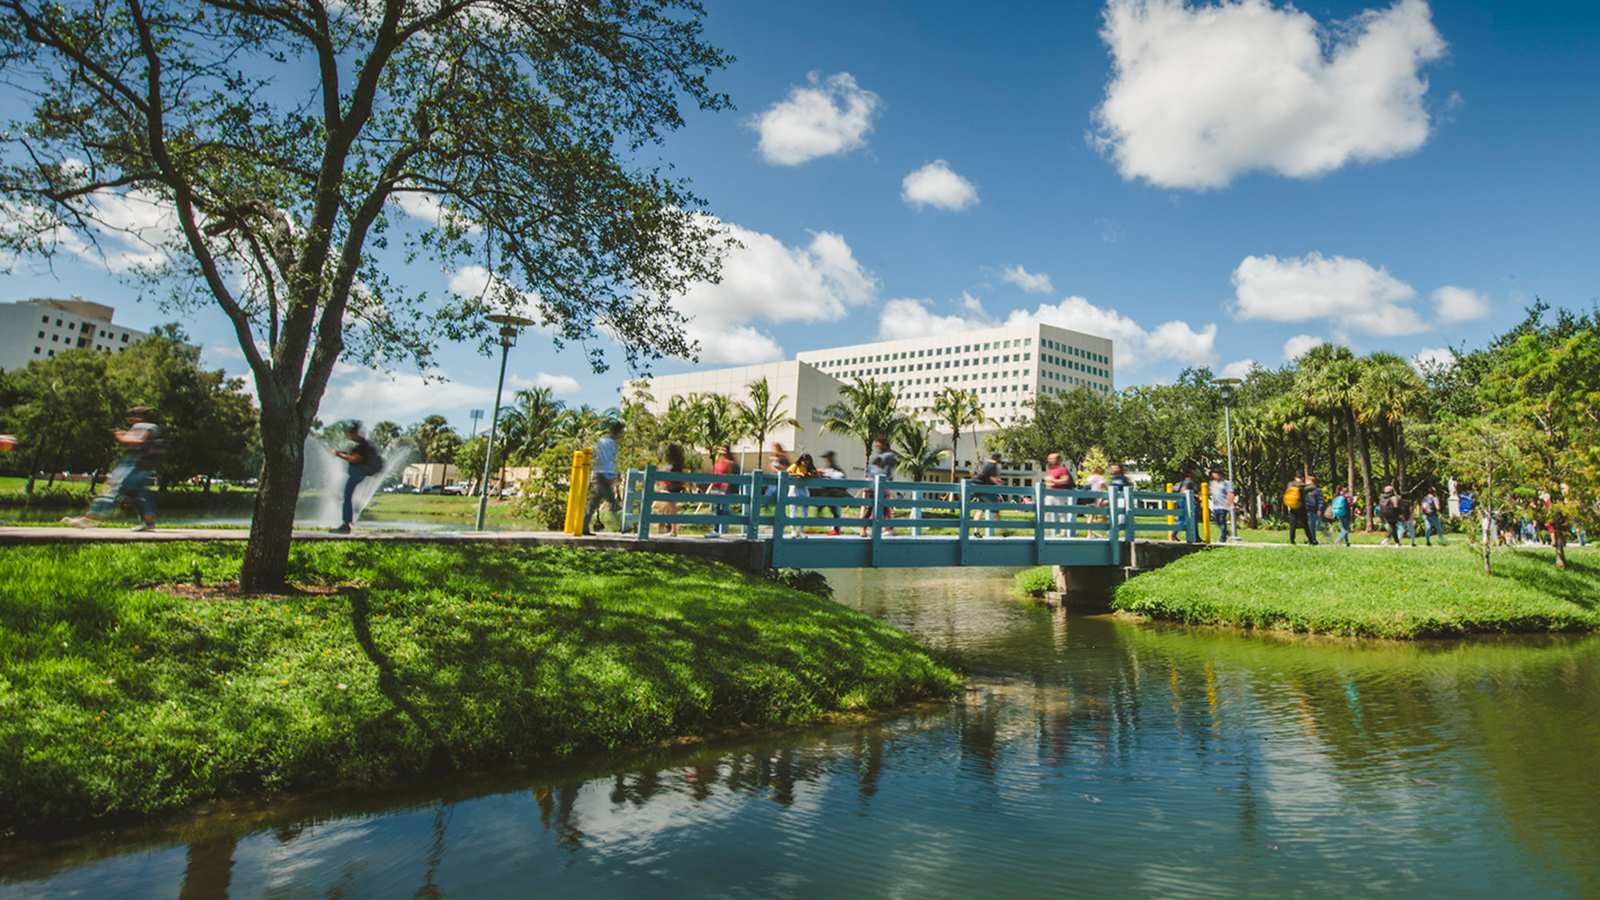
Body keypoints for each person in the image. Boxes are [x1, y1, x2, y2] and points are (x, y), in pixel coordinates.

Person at [62, 406, 162, 532]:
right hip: (138, 464)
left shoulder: (147, 427)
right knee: (138, 493)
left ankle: (89, 518)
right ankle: (148, 523)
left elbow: (139, 441)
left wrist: (122, 437)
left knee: (113, 487)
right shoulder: (148, 427)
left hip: (135, 464)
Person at [327, 422, 382, 535]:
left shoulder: (361, 446)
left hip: (357, 473)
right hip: (360, 473)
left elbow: (354, 459)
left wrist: (338, 454)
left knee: (347, 496)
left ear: (355, 433)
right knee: (346, 495)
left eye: (351, 434)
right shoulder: (365, 445)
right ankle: (346, 521)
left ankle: (346, 524)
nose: (349, 436)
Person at [582, 421, 624, 535]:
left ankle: (584, 527)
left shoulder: (606, 441)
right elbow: (606, 460)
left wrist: (615, 474)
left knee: (594, 502)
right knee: (613, 502)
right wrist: (608, 476)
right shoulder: (608, 443)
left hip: (601, 474)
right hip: (602, 475)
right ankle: (623, 526)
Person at [858, 437, 899, 537]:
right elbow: (871, 470)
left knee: (884, 508)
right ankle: (863, 530)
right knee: (870, 509)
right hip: (872, 487)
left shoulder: (888, 456)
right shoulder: (877, 455)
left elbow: (887, 471)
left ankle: (888, 528)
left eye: (879, 443)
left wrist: (885, 480)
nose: (877, 445)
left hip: (882, 486)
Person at [704, 445, 740, 538]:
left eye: (724, 450)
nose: (722, 452)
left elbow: (727, 477)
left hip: (723, 488)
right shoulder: (718, 461)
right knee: (716, 509)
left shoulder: (730, 463)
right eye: (721, 450)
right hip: (716, 487)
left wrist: (723, 490)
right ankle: (717, 529)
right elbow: (715, 475)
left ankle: (716, 530)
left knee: (719, 510)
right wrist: (711, 488)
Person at [656, 442, 688, 536]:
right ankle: (670, 528)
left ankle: (672, 529)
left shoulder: (670, 465)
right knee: (670, 507)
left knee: (669, 507)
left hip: (671, 488)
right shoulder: (679, 464)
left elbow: (663, 475)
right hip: (676, 487)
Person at [785, 453, 818, 537]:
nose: (805, 464)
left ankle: (801, 530)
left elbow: (816, 474)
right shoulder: (795, 466)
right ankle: (793, 530)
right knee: (793, 510)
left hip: (804, 488)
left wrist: (810, 475)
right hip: (795, 488)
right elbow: (787, 473)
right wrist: (798, 474)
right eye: (804, 462)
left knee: (805, 511)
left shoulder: (809, 468)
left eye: (807, 462)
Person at [816, 450, 848, 536]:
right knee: (825, 506)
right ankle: (829, 526)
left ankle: (835, 529)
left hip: (834, 492)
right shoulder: (829, 467)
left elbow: (840, 477)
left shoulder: (835, 468)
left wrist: (825, 473)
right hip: (829, 491)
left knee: (833, 510)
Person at [1043, 452, 1076, 537]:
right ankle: (1047, 531)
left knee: (1061, 513)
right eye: (1049, 459)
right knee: (1046, 512)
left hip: (1059, 494)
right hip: (1049, 493)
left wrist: (1054, 481)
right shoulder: (1050, 470)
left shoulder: (1062, 469)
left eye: (1052, 459)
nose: (1049, 460)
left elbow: (1066, 480)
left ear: (1057, 460)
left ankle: (1063, 532)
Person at [1172, 467, 1199, 540]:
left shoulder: (1184, 482)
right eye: (1194, 471)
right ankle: (1195, 537)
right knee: (1189, 518)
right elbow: (1183, 491)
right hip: (1187, 503)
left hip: (1184, 502)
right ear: (1191, 472)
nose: (1195, 472)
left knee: (1184, 519)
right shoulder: (1188, 482)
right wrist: (1197, 496)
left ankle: (1174, 534)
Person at [1208, 467, 1234, 542]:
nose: (1215, 477)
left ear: (1220, 475)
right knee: (1217, 521)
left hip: (1223, 505)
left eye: (1216, 475)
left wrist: (1230, 504)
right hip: (1215, 506)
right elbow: (1210, 492)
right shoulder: (1212, 483)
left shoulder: (1226, 483)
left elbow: (1230, 493)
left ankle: (1223, 538)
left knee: (1222, 521)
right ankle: (1225, 532)